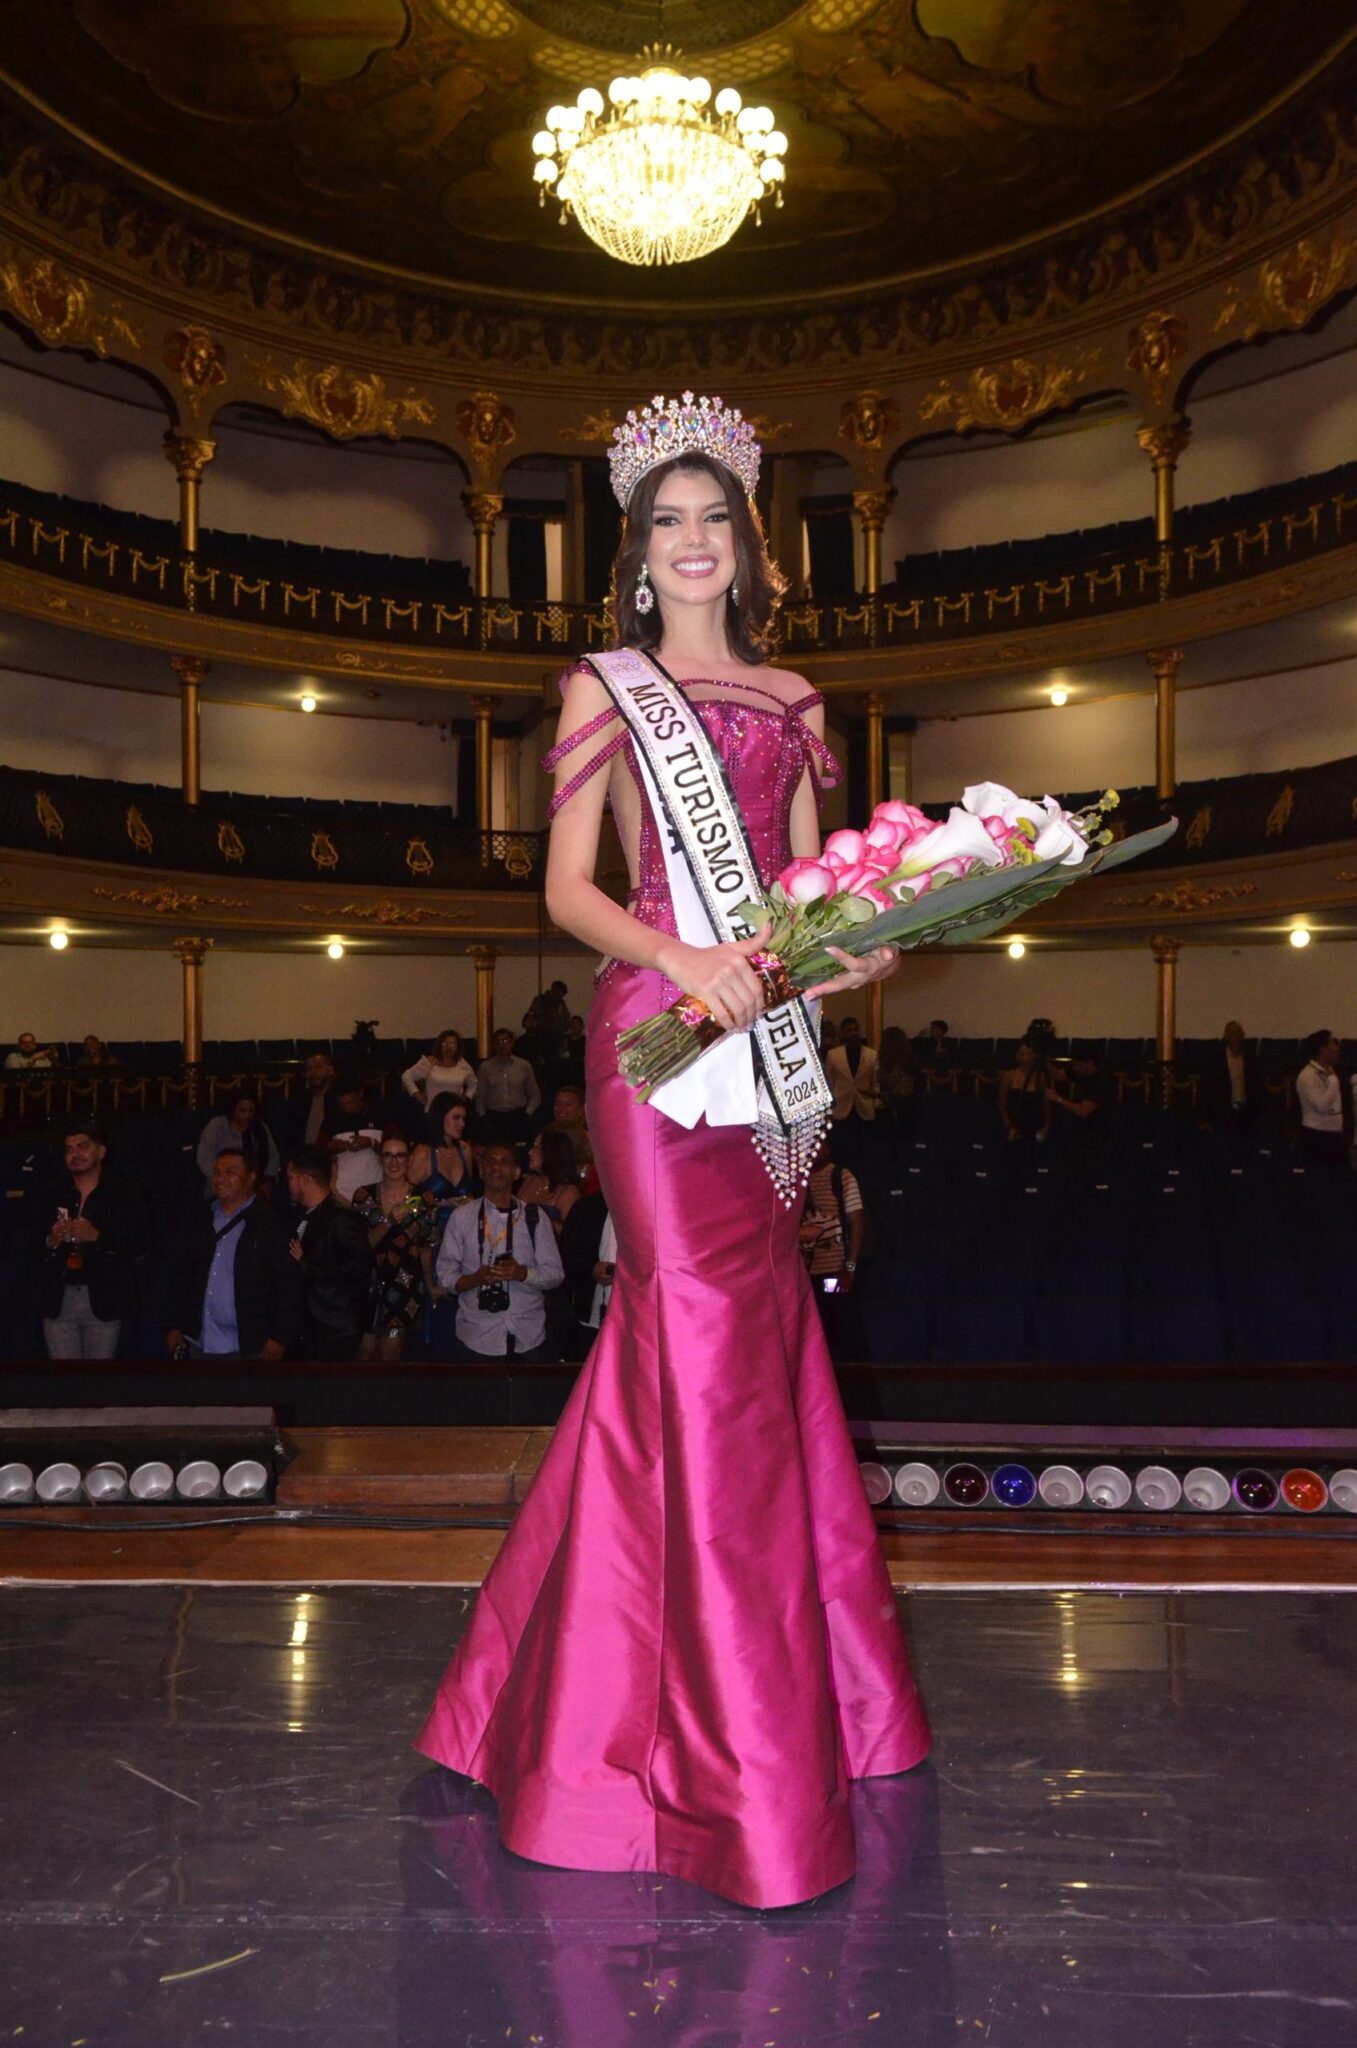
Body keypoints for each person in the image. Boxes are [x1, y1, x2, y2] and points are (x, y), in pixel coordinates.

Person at [416, 411, 928, 1911]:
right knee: (699, 1333)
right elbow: (567, 889)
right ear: (636, 554)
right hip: (653, 1040)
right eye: (665, 521)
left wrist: (858, 956)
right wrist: (678, 953)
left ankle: (548, 1681)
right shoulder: (603, 684)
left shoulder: (797, 697)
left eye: (715, 517)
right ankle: (725, 1754)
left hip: (766, 1042)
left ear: (749, 545)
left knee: (733, 1345)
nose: (692, 540)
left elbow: (814, 890)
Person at [434, 1143, 565, 1363]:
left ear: (516, 1172)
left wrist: (522, 1273)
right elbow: (445, 1276)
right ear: (481, 1170)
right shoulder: (462, 1217)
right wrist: (475, 1279)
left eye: (504, 1162)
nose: (496, 1167)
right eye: (490, 1162)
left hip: (527, 1335)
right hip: (476, 1336)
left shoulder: (535, 1218)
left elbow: (555, 1274)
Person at [166, 1148, 302, 1359]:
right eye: (217, 1172)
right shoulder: (201, 1219)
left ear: (251, 1177)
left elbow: (287, 1285)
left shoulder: (271, 1223)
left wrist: (279, 1338)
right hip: (199, 1341)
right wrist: (174, 1326)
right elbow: (181, 1276)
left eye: (230, 1172)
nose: (220, 1178)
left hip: (248, 1346)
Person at [40, 1120, 150, 1360]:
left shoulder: (125, 1192)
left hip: (104, 1299)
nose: (75, 1155)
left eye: (82, 1147)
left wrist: (97, 1236)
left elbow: (140, 1245)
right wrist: (52, 1240)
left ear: (101, 1151)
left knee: (98, 1378)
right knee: (63, 1378)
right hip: (59, 1299)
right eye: (69, 1149)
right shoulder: (52, 1191)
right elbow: (30, 1244)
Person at [352, 1132, 441, 1360]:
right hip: (368, 1283)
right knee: (363, 1353)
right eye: (388, 1155)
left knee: (391, 1353)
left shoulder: (423, 1197)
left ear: (409, 1160)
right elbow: (360, 1246)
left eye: (400, 1155)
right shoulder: (364, 1196)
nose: (394, 1162)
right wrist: (389, 1222)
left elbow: (426, 1245)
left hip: (405, 1286)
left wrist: (430, 1285)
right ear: (380, 1158)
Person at [284, 1144, 374, 1360]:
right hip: (306, 1329)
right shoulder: (299, 1217)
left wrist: (308, 1265)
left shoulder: (342, 1218)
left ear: (305, 1179)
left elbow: (360, 1269)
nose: (288, 1184)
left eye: (291, 1177)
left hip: (334, 1331)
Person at [799, 1137, 865, 1361]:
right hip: (804, 1273)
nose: (813, 1150)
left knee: (841, 1323)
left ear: (827, 1149)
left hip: (834, 1271)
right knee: (814, 1330)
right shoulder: (797, 1179)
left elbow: (857, 1222)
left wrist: (850, 1268)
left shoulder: (841, 1176)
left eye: (818, 1145)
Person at [409, 1092, 481, 1214]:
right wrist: (442, 1204)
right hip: (433, 1224)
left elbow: (469, 1193)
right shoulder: (423, 1153)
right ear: (440, 1117)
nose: (462, 1124)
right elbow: (408, 1202)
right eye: (456, 1118)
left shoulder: (464, 1150)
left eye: (463, 1119)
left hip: (462, 1223)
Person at [196, 1089, 280, 1193]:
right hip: (221, 1184)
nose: (247, 1116)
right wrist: (221, 1178)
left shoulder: (260, 1128)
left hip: (253, 1185)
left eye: (251, 1111)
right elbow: (204, 1157)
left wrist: (268, 1180)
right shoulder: (217, 1126)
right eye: (242, 1111)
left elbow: (273, 1157)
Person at [320, 1079, 384, 1203]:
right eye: (342, 1103)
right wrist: (331, 1148)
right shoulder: (332, 1119)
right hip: (341, 1192)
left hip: (374, 1187)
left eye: (351, 1102)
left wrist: (371, 1143)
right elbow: (319, 1151)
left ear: (360, 1093)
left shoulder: (378, 1114)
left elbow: (394, 1150)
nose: (347, 1107)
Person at [475, 1027, 541, 1147]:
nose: (502, 1045)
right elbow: (480, 1096)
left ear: (512, 1042)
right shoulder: (486, 1067)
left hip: (518, 1116)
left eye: (505, 1041)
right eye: (498, 1042)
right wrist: (483, 1117)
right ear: (494, 1045)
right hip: (494, 1118)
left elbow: (534, 1094)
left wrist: (528, 1113)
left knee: (519, 1151)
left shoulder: (524, 1065)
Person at [1296, 1029, 1347, 1168]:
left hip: (1334, 1135)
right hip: (1317, 1138)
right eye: (1333, 1044)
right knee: (1319, 1178)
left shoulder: (1331, 1071)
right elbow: (1321, 1106)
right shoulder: (1308, 1075)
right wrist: (1333, 1082)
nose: (1337, 1048)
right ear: (1323, 1050)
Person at [1200, 1020, 1262, 1133]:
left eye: (1237, 1033)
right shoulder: (1215, 1061)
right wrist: (1205, 1118)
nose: (1235, 1037)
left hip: (1246, 1113)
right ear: (1226, 1036)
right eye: (1231, 1033)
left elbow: (1257, 1089)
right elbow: (1207, 1090)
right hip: (1223, 1114)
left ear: (1242, 1036)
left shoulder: (1251, 1060)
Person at [515, 1128, 580, 1236]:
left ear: (551, 1152)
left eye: (536, 1147)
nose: (530, 1152)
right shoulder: (530, 1180)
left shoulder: (568, 1192)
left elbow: (571, 1235)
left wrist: (542, 1219)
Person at [826, 1015, 879, 1132]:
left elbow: (875, 1082)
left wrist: (875, 1103)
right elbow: (830, 1082)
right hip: (841, 1107)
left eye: (856, 1029)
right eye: (849, 1030)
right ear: (843, 1033)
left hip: (864, 1107)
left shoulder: (871, 1055)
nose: (853, 1033)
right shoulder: (833, 1055)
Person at [402, 1030, 477, 1111]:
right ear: (440, 1045)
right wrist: (417, 1094)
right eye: (445, 1044)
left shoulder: (462, 1064)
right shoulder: (429, 1062)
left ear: (457, 1047)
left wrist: (466, 1096)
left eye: (452, 1044)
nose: (448, 1047)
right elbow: (407, 1076)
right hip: (433, 1111)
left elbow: (474, 1082)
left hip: (455, 1111)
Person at [999, 1036, 1053, 1145]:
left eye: (1029, 1054)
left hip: (1034, 1122)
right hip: (1014, 1122)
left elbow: (1046, 1104)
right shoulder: (1010, 1075)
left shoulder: (1041, 1077)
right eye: (1022, 1053)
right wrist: (1009, 1125)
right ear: (1017, 1056)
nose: (1026, 1057)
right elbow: (1001, 1102)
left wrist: (1047, 1126)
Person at [288, 1048, 339, 1148]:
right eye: (309, 1069)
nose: (313, 1072)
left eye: (318, 1067)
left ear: (330, 1070)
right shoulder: (300, 1101)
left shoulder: (338, 1101)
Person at [875, 1024, 917, 1136]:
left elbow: (893, 1088)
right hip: (909, 1106)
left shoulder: (886, 1065)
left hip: (893, 1107)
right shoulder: (909, 1061)